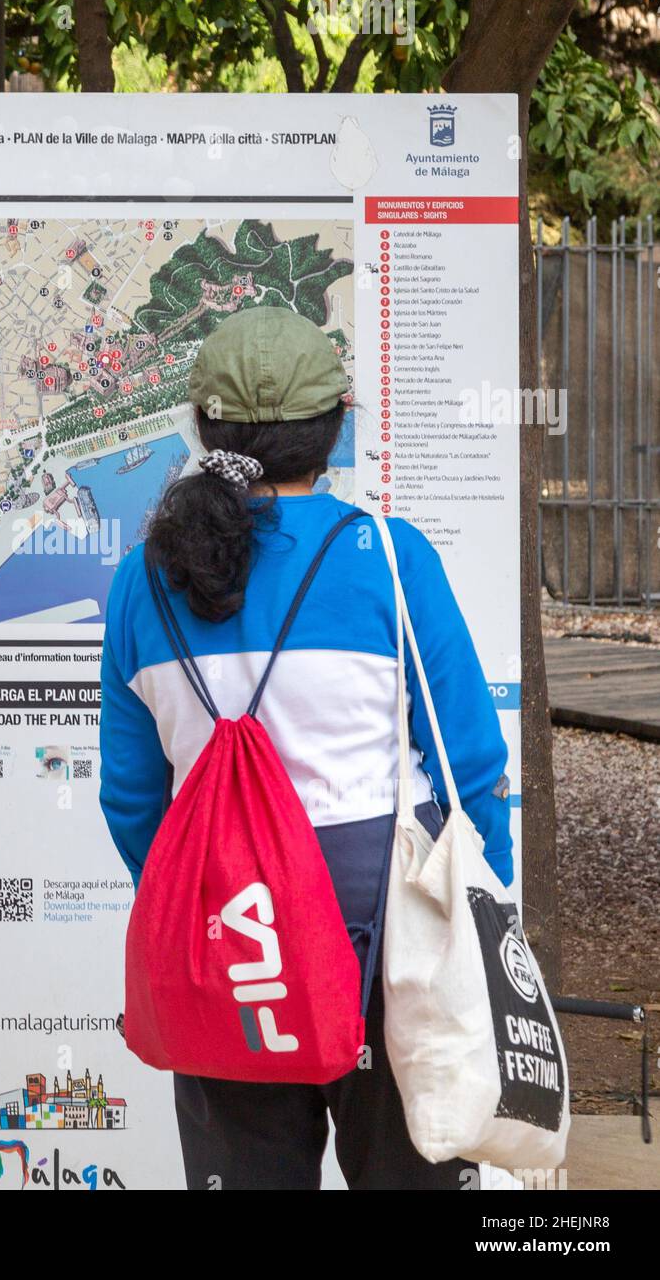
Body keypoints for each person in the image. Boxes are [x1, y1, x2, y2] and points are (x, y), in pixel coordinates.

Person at [99, 305, 512, 1190]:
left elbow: (131, 798)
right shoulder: (387, 559)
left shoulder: (142, 583)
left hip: (230, 958)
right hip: (386, 960)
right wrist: (488, 923)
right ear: (333, 429)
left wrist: (206, 905)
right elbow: (468, 762)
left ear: (204, 430)